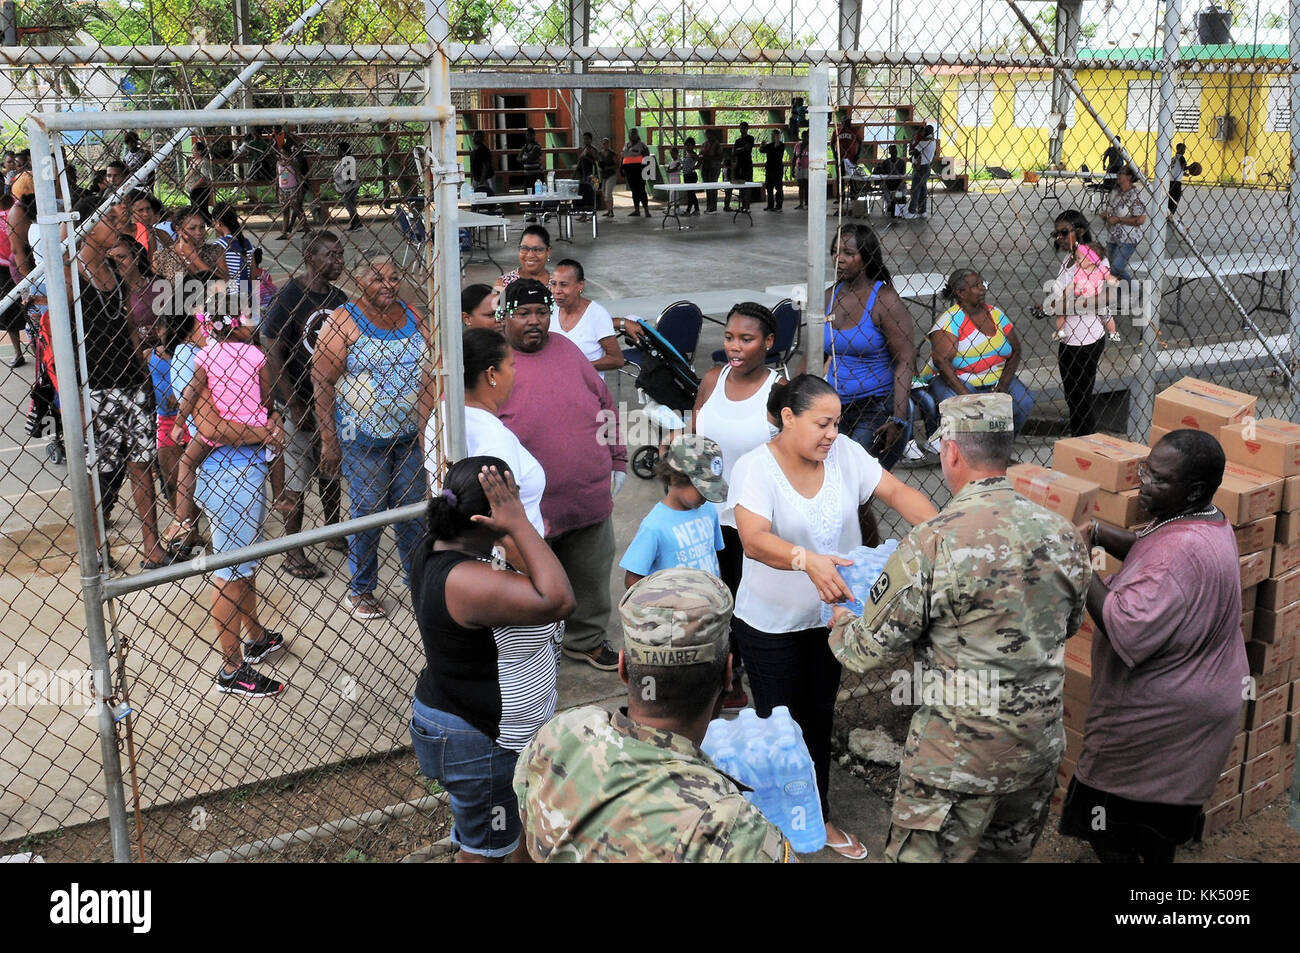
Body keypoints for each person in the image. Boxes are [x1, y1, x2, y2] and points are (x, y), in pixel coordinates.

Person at [830, 393, 1091, 862]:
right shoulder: (1062, 531)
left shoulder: (933, 541)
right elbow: (1069, 625)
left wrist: (840, 618)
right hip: (1036, 749)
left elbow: (865, 652)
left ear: (950, 451)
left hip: (955, 762)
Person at [728, 374, 937, 859]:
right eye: (822, 423)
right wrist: (806, 559)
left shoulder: (844, 453)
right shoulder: (756, 467)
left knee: (818, 718)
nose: (831, 433)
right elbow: (754, 539)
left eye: (837, 423)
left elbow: (900, 494)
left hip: (832, 621)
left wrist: (942, 536)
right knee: (778, 727)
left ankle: (816, 818)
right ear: (787, 417)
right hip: (770, 624)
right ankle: (772, 823)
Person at [513, 568, 795, 863]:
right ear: (727, 675)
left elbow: (527, 848)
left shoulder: (562, 734)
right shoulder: (731, 831)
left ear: (622, 667)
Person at [1062, 430, 1249, 863]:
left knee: (1107, 827)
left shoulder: (1177, 552)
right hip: (1202, 701)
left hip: (1162, 717)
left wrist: (1079, 562)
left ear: (1194, 489)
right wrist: (1102, 534)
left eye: (1159, 479)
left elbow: (1124, 628)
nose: (1144, 482)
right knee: (1157, 825)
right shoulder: (1206, 520)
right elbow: (1155, 550)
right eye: (1145, 470)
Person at [410, 459, 573, 863]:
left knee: (508, 830)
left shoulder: (452, 543)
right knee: (484, 850)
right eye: (510, 500)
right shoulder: (465, 579)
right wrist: (517, 524)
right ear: (487, 517)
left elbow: (532, 570)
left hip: (483, 729)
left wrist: (507, 531)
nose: (518, 506)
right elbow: (559, 599)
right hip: (481, 739)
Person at [496, 278, 627, 671]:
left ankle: (584, 638)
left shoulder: (568, 350)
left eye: (541, 312)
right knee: (529, 582)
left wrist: (618, 458)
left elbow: (605, 403)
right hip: (529, 508)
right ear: (505, 317)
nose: (534, 321)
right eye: (523, 314)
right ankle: (533, 651)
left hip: (587, 497)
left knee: (590, 575)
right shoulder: (492, 362)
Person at [313, 255, 434, 620]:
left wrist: (431, 430)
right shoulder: (343, 321)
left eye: (394, 278)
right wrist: (329, 439)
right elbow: (322, 382)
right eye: (378, 278)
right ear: (359, 280)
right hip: (362, 439)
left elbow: (431, 369)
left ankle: (417, 581)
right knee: (368, 513)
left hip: (410, 436)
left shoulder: (413, 315)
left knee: (413, 514)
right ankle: (361, 589)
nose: (388, 285)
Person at [75, 204, 173, 571]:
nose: (121, 224)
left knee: (142, 463)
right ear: (87, 226)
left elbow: (130, 325)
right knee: (96, 471)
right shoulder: (72, 276)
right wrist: (75, 397)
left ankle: (152, 547)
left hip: (130, 380)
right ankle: (97, 551)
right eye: (110, 219)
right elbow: (64, 343)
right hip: (95, 386)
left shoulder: (115, 270)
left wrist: (142, 369)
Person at [694, 301, 782, 709]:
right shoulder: (713, 379)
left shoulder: (778, 391)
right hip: (708, 518)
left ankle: (740, 682)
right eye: (729, 337)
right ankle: (717, 678)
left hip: (752, 522)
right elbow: (697, 435)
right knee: (712, 602)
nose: (735, 346)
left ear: (768, 342)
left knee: (748, 606)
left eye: (746, 339)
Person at [262, 231, 347, 579]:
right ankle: (292, 550)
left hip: (330, 400)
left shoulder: (339, 298)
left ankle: (332, 531)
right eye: (330, 255)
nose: (338, 262)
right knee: (297, 474)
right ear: (310, 257)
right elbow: (272, 347)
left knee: (331, 466)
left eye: (340, 255)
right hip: (298, 398)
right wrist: (293, 401)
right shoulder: (290, 296)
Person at [170, 311, 278, 535]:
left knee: (187, 463)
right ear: (238, 327)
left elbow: (192, 391)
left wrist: (179, 422)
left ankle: (182, 520)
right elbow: (268, 394)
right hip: (253, 422)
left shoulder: (205, 355)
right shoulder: (257, 353)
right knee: (277, 450)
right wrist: (267, 414)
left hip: (218, 430)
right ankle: (281, 496)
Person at [822, 223, 916, 471]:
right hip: (834, 405)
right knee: (832, 479)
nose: (838, 259)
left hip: (874, 406)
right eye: (835, 252)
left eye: (848, 254)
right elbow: (813, 353)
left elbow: (905, 360)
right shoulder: (828, 296)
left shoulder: (884, 299)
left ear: (867, 257)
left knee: (853, 477)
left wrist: (898, 418)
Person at [435, 328, 546, 536]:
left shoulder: (441, 413)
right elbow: (502, 524)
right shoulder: (495, 438)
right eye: (511, 365)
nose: (515, 372)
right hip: (509, 560)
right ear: (492, 374)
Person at [920, 267, 1034, 434]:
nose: (982, 288)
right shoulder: (950, 320)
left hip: (995, 379)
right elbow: (941, 362)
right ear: (961, 293)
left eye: (982, 284)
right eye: (976, 285)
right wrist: (968, 396)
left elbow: (1016, 350)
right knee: (973, 415)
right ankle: (974, 452)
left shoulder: (996, 314)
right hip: (959, 380)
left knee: (1024, 401)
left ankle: (1001, 446)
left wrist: (1003, 384)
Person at [620, 434, 726, 588]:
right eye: (702, 490)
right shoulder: (654, 526)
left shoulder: (709, 510)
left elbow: (712, 558)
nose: (707, 497)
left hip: (709, 605)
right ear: (675, 478)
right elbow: (632, 580)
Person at [1048, 209, 1113, 437]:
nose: (1060, 239)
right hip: (1069, 336)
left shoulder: (1094, 257)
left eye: (1064, 233)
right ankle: (1080, 440)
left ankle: (1085, 442)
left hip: (1088, 337)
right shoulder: (1069, 259)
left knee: (1081, 397)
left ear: (1081, 230)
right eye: (1056, 234)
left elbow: (1100, 299)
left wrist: (1062, 307)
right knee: (1072, 396)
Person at [548, 258, 621, 374]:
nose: (556, 290)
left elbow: (616, 360)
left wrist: (579, 366)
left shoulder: (597, 314)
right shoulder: (549, 311)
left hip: (586, 389)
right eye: (553, 284)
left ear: (580, 285)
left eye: (564, 285)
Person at [1100, 165, 1146, 284]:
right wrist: (1106, 215)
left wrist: (1119, 219)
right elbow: (1108, 210)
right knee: (1110, 268)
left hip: (1128, 237)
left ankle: (1135, 290)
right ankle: (1121, 293)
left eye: (1122, 173)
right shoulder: (1115, 192)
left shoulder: (1135, 194)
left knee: (1116, 268)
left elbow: (1141, 219)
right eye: (1118, 172)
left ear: (1129, 177)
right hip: (1113, 235)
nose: (1118, 175)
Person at [212, 202, 256, 315]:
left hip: (230, 297)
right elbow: (253, 274)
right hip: (248, 294)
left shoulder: (220, 244)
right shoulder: (247, 243)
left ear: (219, 223)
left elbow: (223, 275)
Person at [492, 224, 551, 294]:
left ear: (548, 252)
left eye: (537, 249)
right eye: (524, 248)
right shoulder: (503, 284)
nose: (530, 255)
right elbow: (496, 304)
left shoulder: (558, 285)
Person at [275, 143, 307, 239]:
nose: (283, 156)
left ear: (289, 154)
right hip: (282, 189)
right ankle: (284, 232)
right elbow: (277, 178)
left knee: (297, 210)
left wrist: (300, 191)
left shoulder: (294, 163)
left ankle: (307, 229)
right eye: (281, 153)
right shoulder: (278, 163)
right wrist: (276, 190)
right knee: (285, 211)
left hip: (292, 189)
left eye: (285, 153)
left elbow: (298, 178)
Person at [905, 124, 936, 219]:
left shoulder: (923, 142)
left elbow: (914, 152)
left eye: (924, 131)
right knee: (923, 190)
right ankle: (922, 211)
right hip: (927, 167)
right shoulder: (933, 142)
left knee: (915, 190)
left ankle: (912, 211)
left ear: (926, 132)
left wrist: (913, 143)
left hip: (919, 168)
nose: (922, 132)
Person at [621, 128, 651, 217]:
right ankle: (636, 210)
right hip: (629, 171)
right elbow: (622, 157)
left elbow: (647, 158)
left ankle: (646, 210)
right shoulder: (626, 145)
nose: (632, 135)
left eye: (634, 134)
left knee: (641, 190)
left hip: (640, 170)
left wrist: (648, 170)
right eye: (630, 134)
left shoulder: (642, 145)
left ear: (637, 135)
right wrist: (621, 168)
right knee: (634, 190)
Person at [333, 142, 362, 232]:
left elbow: (350, 177)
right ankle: (357, 223)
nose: (337, 152)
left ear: (342, 151)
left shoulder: (347, 160)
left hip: (348, 188)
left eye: (338, 150)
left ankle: (355, 223)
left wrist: (346, 188)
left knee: (349, 206)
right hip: (346, 187)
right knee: (351, 206)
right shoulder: (344, 160)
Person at [185, 141, 215, 224]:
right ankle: (206, 223)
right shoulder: (193, 161)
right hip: (193, 190)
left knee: (201, 209)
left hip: (200, 190)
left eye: (194, 149)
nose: (192, 151)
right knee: (195, 209)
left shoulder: (203, 162)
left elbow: (204, 177)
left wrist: (194, 186)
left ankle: (209, 223)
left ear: (200, 151)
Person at [731, 121, 755, 213]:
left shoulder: (750, 138)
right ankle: (742, 205)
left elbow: (747, 148)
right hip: (739, 165)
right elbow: (734, 152)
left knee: (748, 185)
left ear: (747, 129)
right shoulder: (738, 141)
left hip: (747, 164)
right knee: (741, 186)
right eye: (741, 128)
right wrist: (741, 149)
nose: (742, 130)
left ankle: (747, 206)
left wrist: (739, 149)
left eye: (744, 128)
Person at [759, 129, 785, 211]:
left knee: (778, 187)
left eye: (774, 135)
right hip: (769, 169)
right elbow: (761, 150)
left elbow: (778, 151)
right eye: (772, 135)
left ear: (778, 136)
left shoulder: (781, 145)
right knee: (769, 188)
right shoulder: (769, 145)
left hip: (778, 169)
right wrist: (762, 145)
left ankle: (779, 206)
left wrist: (777, 140)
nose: (772, 137)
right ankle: (770, 205)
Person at [701, 128, 724, 213]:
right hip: (705, 168)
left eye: (709, 134)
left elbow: (720, 157)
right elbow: (701, 153)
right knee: (707, 188)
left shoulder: (717, 145)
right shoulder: (705, 144)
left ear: (712, 135)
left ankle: (713, 207)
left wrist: (710, 157)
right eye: (707, 134)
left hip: (714, 168)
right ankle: (708, 206)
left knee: (713, 188)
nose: (708, 136)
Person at [597, 137, 618, 218]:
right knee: (604, 192)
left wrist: (608, 168)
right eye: (603, 143)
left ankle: (611, 211)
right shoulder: (600, 154)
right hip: (603, 175)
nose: (605, 145)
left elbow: (617, 165)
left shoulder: (613, 154)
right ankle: (608, 210)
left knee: (608, 193)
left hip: (611, 175)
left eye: (606, 143)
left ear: (608, 144)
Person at [469, 130, 495, 196]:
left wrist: (481, 180)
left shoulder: (484, 150)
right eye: (473, 137)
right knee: (474, 196)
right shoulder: (474, 151)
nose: (473, 138)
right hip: (476, 178)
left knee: (489, 196)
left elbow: (485, 166)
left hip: (486, 178)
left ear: (481, 138)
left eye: (476, 137)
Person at [680, 136, 700, 216]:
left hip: (691, 175)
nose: (687, 147)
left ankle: (690, 210)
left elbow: (700, 160)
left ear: (693, 146)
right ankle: (694, 210)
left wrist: (695, 167)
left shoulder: (692, 154)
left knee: (691, 194)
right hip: (686, 175)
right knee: (690, 194)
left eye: (689, 145)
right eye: (686, 145)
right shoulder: (688, 154)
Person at [1168, 142, 1188, 216]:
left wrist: (1183, 173)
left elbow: (1175, 169)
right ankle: (1170, 215)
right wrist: (1192, 167)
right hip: (1176, 183)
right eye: (1183, 149)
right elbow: (1184, 167)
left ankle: (1168, 213)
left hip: (1170, 182)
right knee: (1175, 200)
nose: (1184, 151)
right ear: (1180, 149)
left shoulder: (1173, 158)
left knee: (1170, 200)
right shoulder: (1181, 157)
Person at [792, 131, 810, 209]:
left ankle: (807, 203)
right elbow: (794, 158)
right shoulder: (797, 145)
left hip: (808, 168)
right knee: (800, 186)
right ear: (802, 137)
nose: (805, 138)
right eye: (804, 136)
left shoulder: (811, 146)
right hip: (799, 167)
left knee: (807, 185)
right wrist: (792, 169)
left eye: (806, 136)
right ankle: (801, 203)